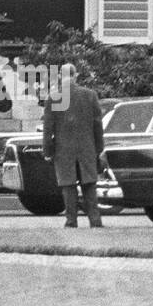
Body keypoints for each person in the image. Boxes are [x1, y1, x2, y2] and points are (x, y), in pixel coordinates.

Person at [42, 63, 105, 228]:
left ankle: (71, 221)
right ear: (76, 75)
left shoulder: (54, 97)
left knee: (68, 185)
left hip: (63, 149)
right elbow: (97, 125)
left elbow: (48, 128)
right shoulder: (90, 95)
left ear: (61, 76)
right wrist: (99, 148)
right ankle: (95, 220)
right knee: (89, 184)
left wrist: (47, 150)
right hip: (87, 147)